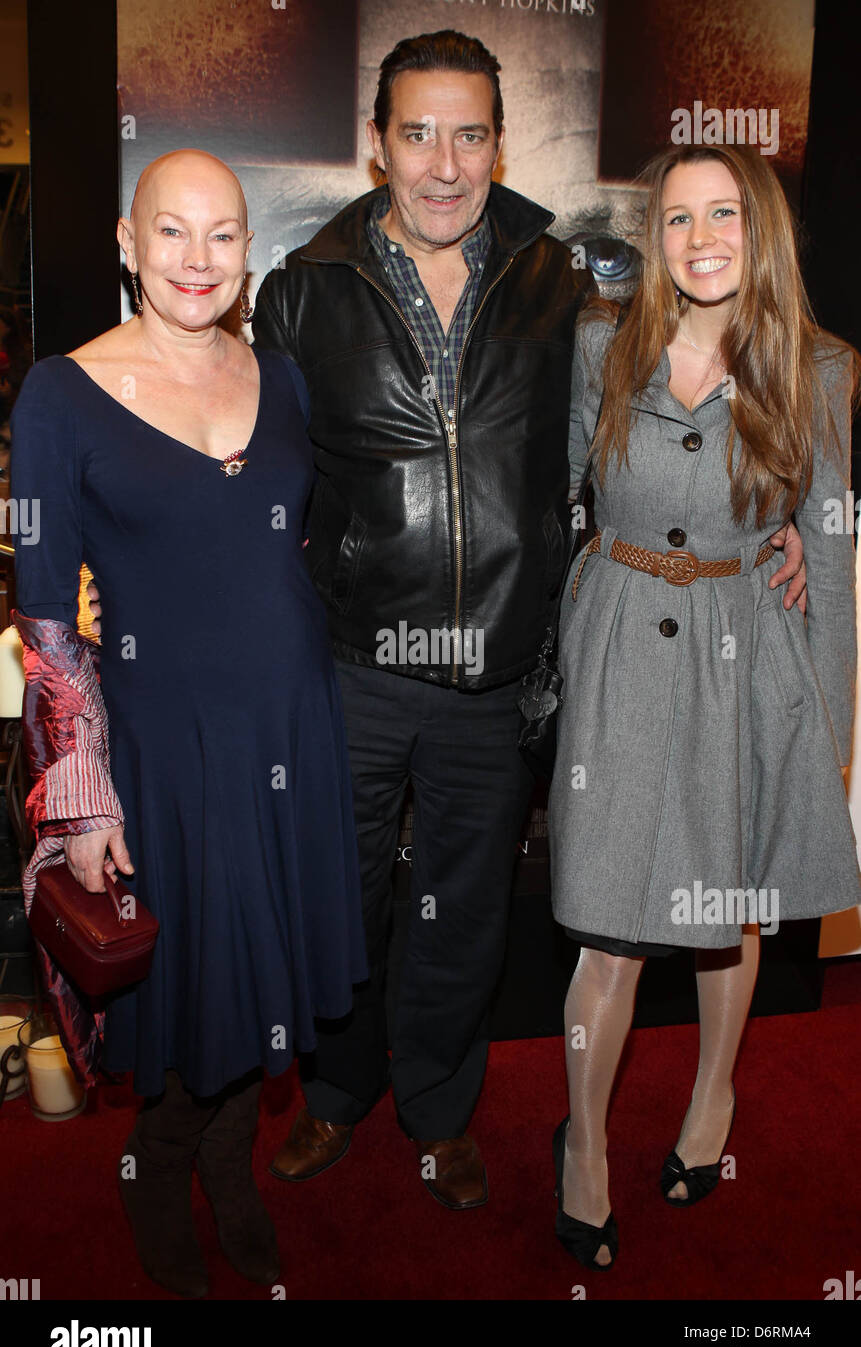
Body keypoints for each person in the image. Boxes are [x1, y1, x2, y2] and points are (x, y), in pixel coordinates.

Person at [250, 31, 807, 1210]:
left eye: (469, 134)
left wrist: (781, 520)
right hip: (354, 661)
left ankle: (441, 1114)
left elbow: (692, 389)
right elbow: (258, 484)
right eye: (417, 134)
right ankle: (340, 1092)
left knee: (463, 911)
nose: (444, 164)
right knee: (339, 899)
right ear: (377, 146)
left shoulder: (565, 286)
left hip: (502, 666)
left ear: (499, 142)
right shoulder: (304, 290)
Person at [10, 149, 366, 1297]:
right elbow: (46, 623)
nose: (198, 259)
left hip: (288, 730)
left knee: (259, 976)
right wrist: (79, 802)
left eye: (223, 235)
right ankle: (158, 1161)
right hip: (162, 751)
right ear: (126, 242)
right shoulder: (61, 393)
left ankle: (227, 1158)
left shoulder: (286, 380)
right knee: (193, 980)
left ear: (248, 248)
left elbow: (285, 551)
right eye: (172, 233)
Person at [548, 141, 860, 1270]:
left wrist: (828, 736)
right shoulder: (600, 346)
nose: (701, 238)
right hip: (626, 642)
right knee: (608, 925)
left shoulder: (816, 369)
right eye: (677, 219)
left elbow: (824, 550)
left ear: (759, 226)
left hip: (746, 649)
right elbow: (562, 496)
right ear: (655, 240)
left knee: (727, 910)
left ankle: (712, 1097)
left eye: (722, 213)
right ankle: (582, 1142)